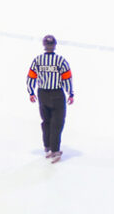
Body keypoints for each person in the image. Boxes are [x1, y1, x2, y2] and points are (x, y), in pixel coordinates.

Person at [26, 34, 74, 163]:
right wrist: (70, 93)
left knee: (46, 121)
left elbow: (31, 77)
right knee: (57, 123)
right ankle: (55, 150)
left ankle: (47, 146)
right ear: (54, 45)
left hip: (42, 94)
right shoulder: (60, 61)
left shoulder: (38, 60)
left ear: (44, 46)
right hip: (57, 94)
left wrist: (31, 92)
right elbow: (67, 78)